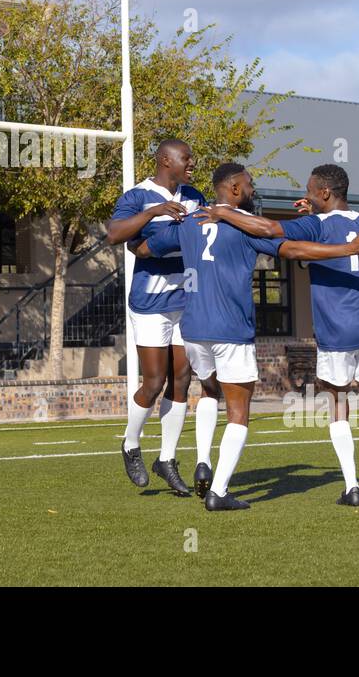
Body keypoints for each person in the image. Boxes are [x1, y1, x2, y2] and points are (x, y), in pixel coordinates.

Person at [136, 163, 359, 511]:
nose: (254, 190)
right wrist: (350, 248)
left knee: (208, 390)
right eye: (250, 185)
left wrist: (145, 219)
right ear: (236, 189)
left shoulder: (190, 222)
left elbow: (144, 248)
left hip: (192, 329)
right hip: (231, 330)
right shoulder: (243, 227)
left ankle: (202, 460)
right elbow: (293, 250)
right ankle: (219, 491)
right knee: (238, 411)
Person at [197, 163, 359, 508]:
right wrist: (313, 210)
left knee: (338, 406)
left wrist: (223, 214)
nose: (306, 195)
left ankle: (352, 487)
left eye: (310, 190)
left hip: (337, 330)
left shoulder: (315, 224)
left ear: (325, 193)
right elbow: (330, 225)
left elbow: (271, 229)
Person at [105, 139, 207, 495]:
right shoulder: (137, 196)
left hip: (186, 299)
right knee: (153, 381)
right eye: (186, 157)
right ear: (166, 160)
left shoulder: (195, 195)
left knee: (181, 378)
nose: (191, 163)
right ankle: (131, 443)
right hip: (151, 302)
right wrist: (154, 213)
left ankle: (167, 459)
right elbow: (115, 235)